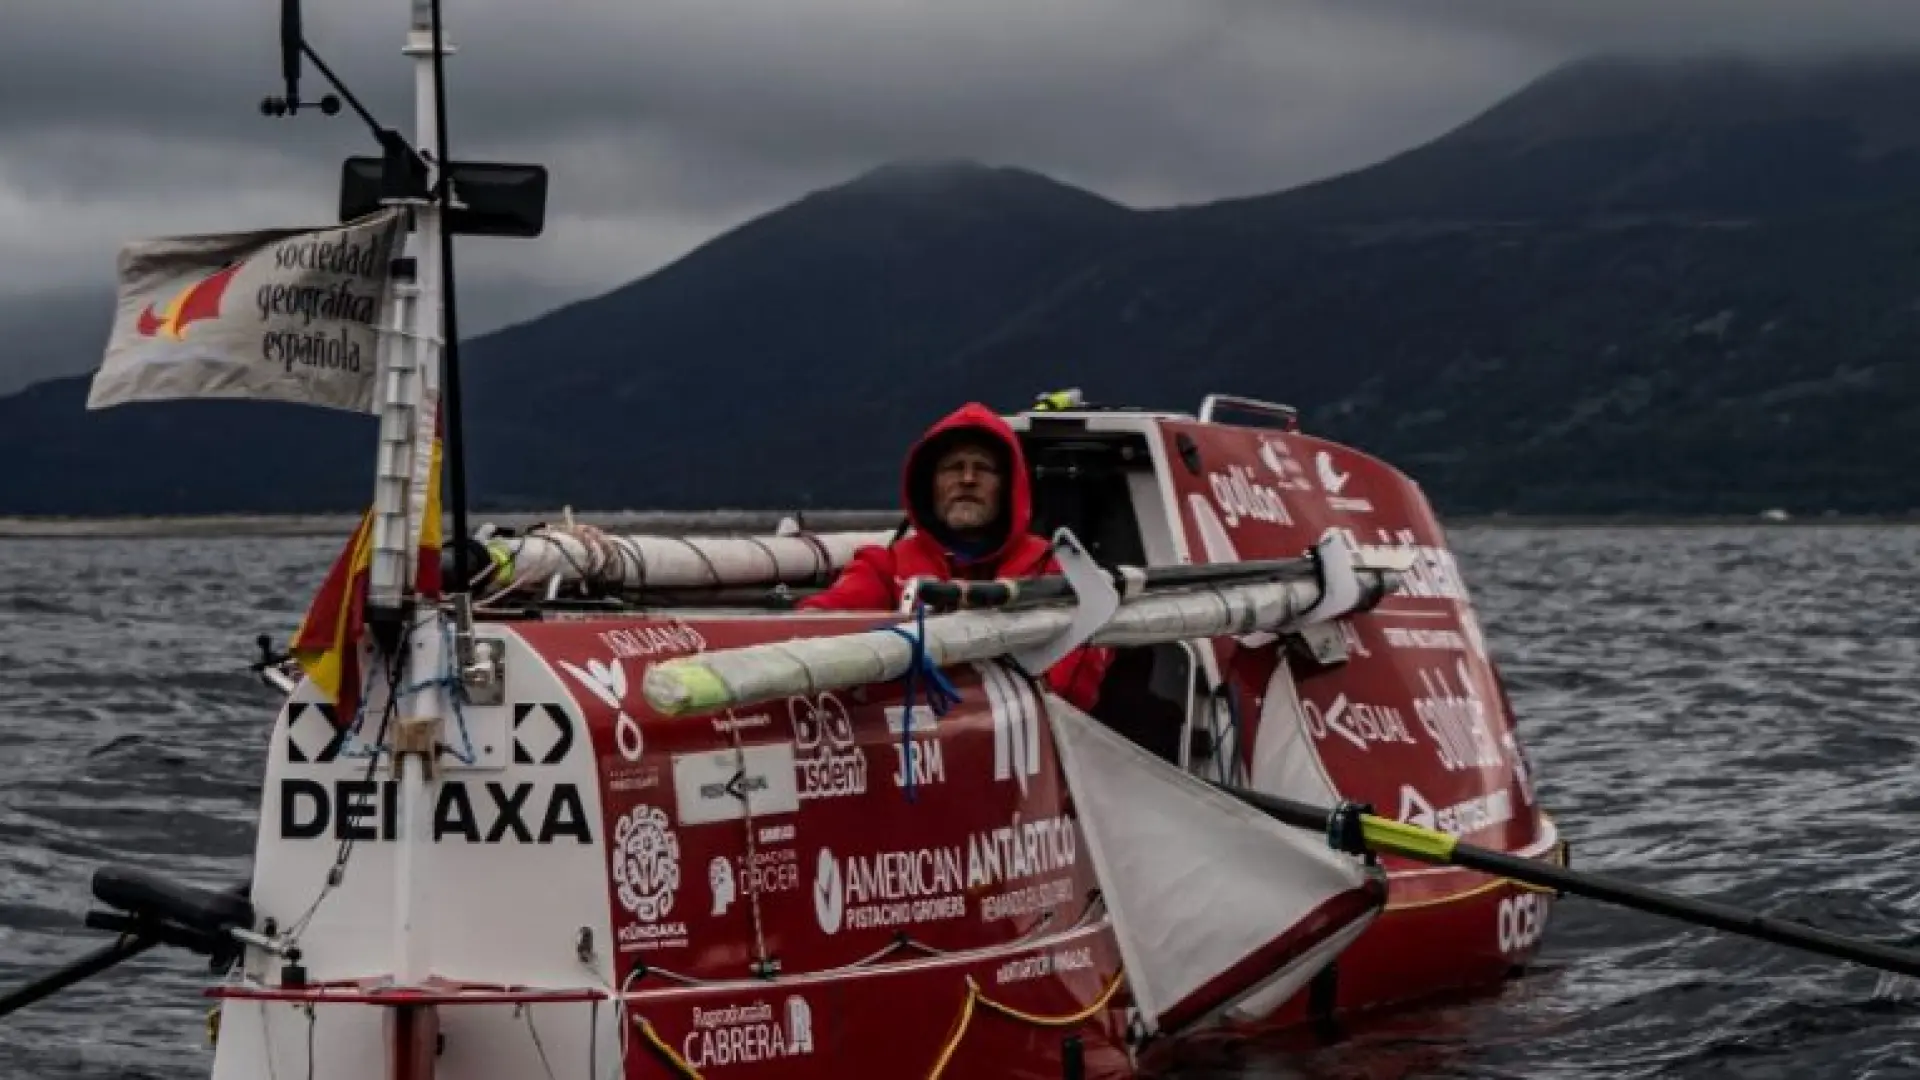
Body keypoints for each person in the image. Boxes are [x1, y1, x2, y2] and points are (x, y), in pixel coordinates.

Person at [798, 402, 1113, 713]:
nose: (967, 479)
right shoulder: (886, 567)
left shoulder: (1053, 569)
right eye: (953, 467)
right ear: (929, 484)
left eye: (984, 468)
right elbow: (815, 625)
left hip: (1020, 742)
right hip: (916, 743)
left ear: (1008, 486)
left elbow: (1069, 697)